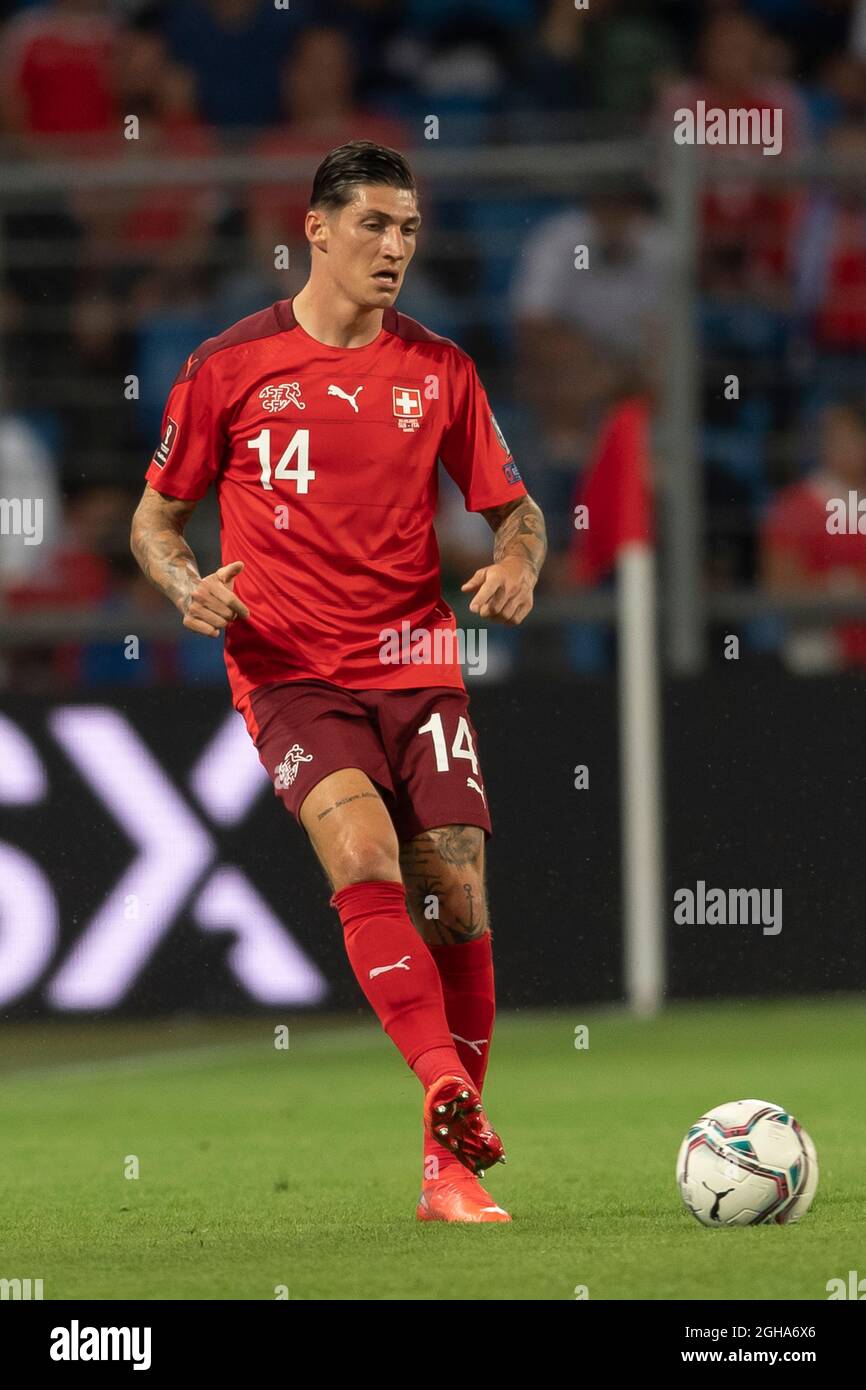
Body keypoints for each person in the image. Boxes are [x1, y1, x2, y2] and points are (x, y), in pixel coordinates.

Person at [130, 140, 547, 1223]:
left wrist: (516, 565)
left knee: (454, 888)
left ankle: (444, 1172)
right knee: (363, 851)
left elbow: (517, 510)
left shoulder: (438, 368)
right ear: (314, 229)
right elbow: (154, 519)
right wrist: (185, 586)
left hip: (413, 657)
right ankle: (442, 1085)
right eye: (374, 225)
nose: (395, 248)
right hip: (287, 666)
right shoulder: (227, 366)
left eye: (408, 230)